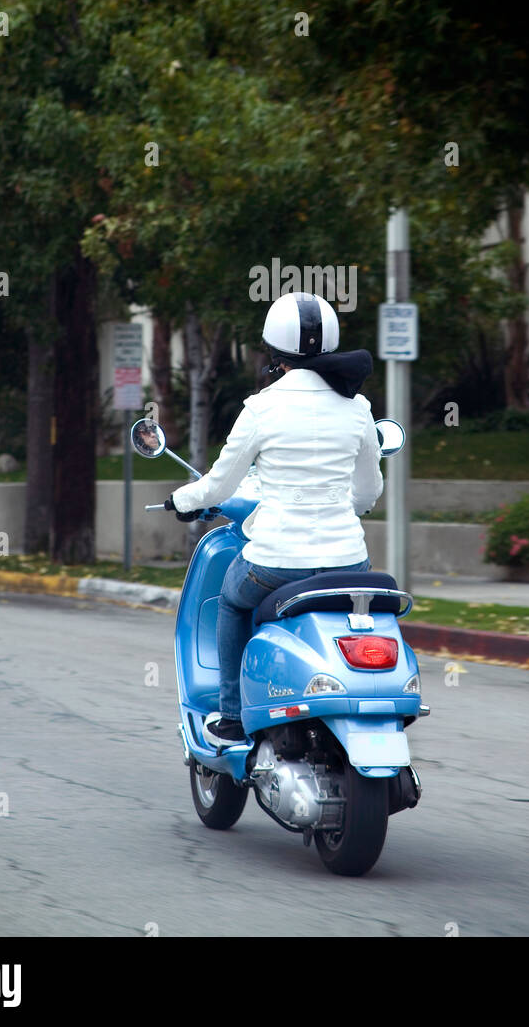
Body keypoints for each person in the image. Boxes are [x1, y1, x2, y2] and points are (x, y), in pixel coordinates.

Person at [165, 291, 383, 746]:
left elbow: (218, 488)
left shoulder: (261, 408)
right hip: (349, 563)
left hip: (275, 562)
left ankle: (232, 715)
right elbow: (369, 492)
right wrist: (349, 507)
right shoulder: (357, 408)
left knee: (231, 599)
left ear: (271, 350)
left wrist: (181, 500)